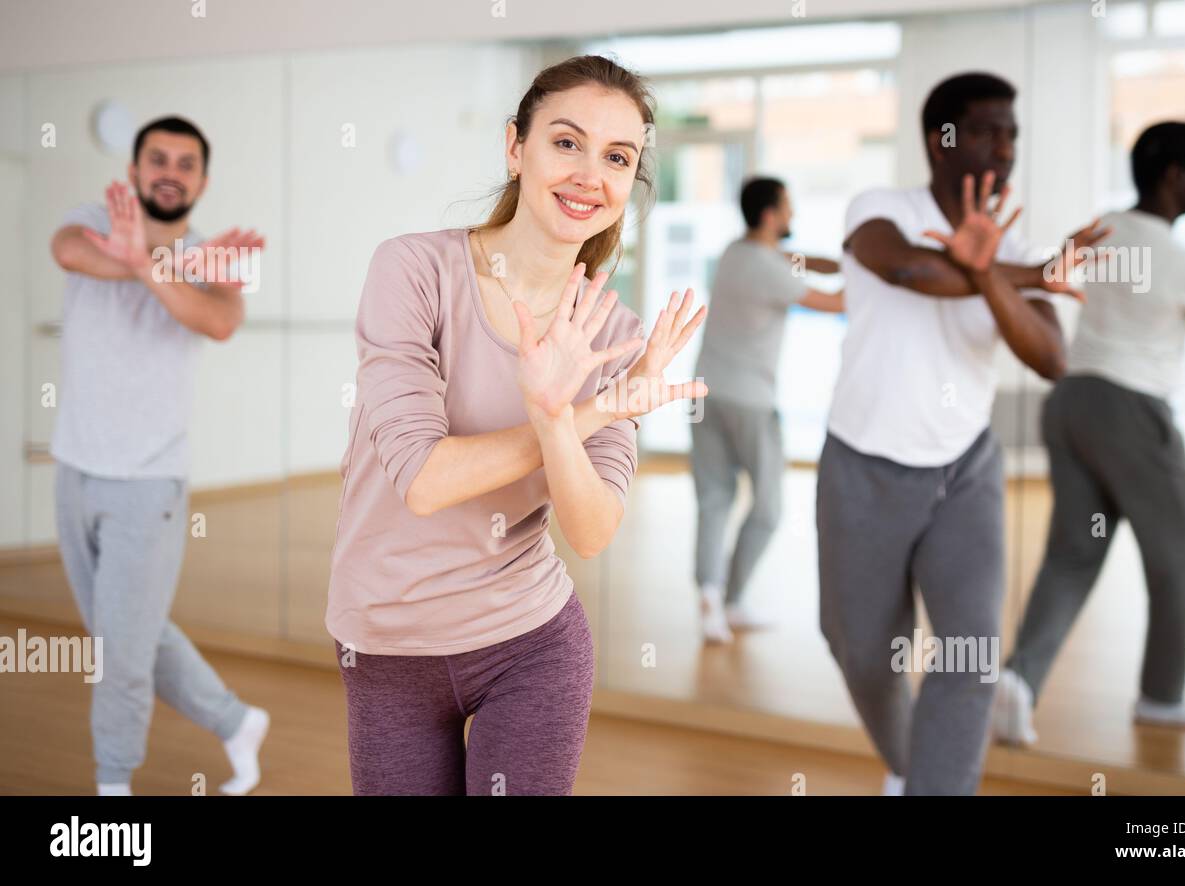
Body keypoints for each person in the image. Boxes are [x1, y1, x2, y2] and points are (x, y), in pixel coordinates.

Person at [326, 55, 709, 796]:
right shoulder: (412, 272)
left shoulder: (614, 332)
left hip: (531, 642)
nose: (589, 174)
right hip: (384, 640)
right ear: (515, 148)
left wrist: (582, 412)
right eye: (566, 142)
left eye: (617, 157)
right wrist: (581, 411)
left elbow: (592, 531)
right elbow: (425, 481)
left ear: (630, 183)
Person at [817, 72, 1107, 795]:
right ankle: (912, 765)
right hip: (863, 464)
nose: (1003, 148)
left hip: (965, 472)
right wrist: (1021, 270)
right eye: (983, 130)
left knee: (972, 657)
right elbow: (909, 266)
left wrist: (995, 272)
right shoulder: (880, 207)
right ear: (937, 140)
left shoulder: (1018, 248)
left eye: (1011, 133)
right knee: (862, 657)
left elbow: (1051, 356)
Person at [995, 122, 1185, 744]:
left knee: (1074, 553)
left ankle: (1017, 685)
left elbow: (1150, 272)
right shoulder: (1181, 261)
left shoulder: (1108, 228)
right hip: (1130, 410)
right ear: (1174, 175)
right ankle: (1161, 695)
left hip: (1070, 401)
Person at [49, 116, 269, 796]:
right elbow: (69, 253)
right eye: (157, 158)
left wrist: (151, 263)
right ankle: (236, 721)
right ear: (137, 170)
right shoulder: (91, 220)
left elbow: (220, 320)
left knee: (121, 653)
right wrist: (156, 262)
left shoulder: (219, 258)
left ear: (202, 180)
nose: (170, 170)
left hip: (149, 484)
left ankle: (113, 789)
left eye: (185, 162)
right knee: (124, 633)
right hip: (74, 466)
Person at [691, 176, 843, 643]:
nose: (794, 216)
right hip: (750, 402)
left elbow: (799, 260)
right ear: (773, 216)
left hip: (704, 393)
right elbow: (838, 302)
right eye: (789, 208)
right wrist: (882, 274)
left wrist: (844, 259)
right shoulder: (771, 269)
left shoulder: (735, 254)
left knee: (714, 500)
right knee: (770, 506)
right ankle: (733, 598)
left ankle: (714, 603)